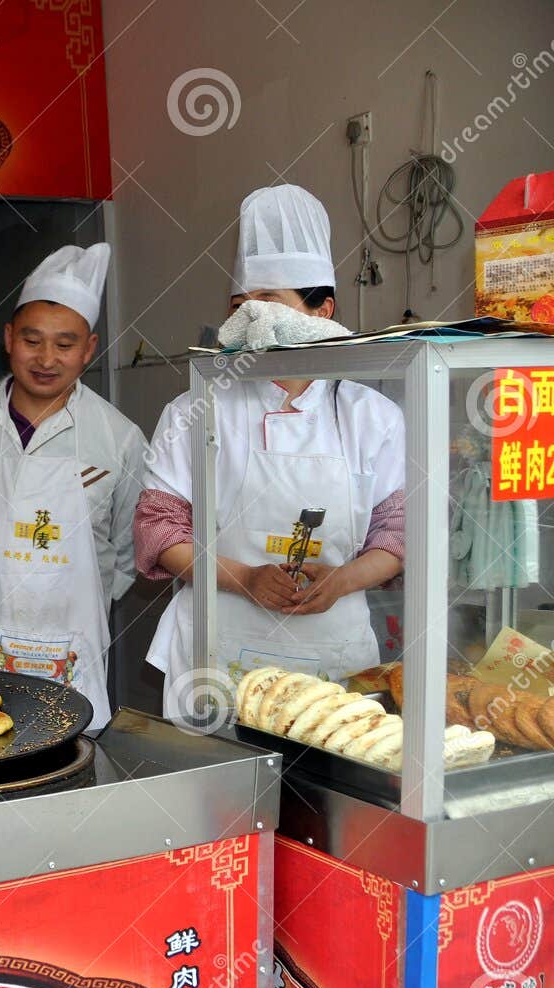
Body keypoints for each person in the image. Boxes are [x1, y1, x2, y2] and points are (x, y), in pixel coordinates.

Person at [136, 185, 405, 718]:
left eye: (269, 304)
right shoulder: (196, 407)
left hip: (330, 656)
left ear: (323, 311)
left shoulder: (372, 416)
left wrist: (342, 580)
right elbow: (159, 531)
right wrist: (246, 578)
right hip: (217, 651)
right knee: (211, 801)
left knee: (323, 799)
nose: (248, 323)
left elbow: (396, 534)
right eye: (239, 307)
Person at [0, 243, 146, 730]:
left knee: (65, 773)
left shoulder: (120, 439)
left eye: (65, 345)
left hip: (68, 649)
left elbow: (129, 552)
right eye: (32, 341)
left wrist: (69, 597)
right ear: (8, 338)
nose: (47, 359)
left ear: (89, 349)